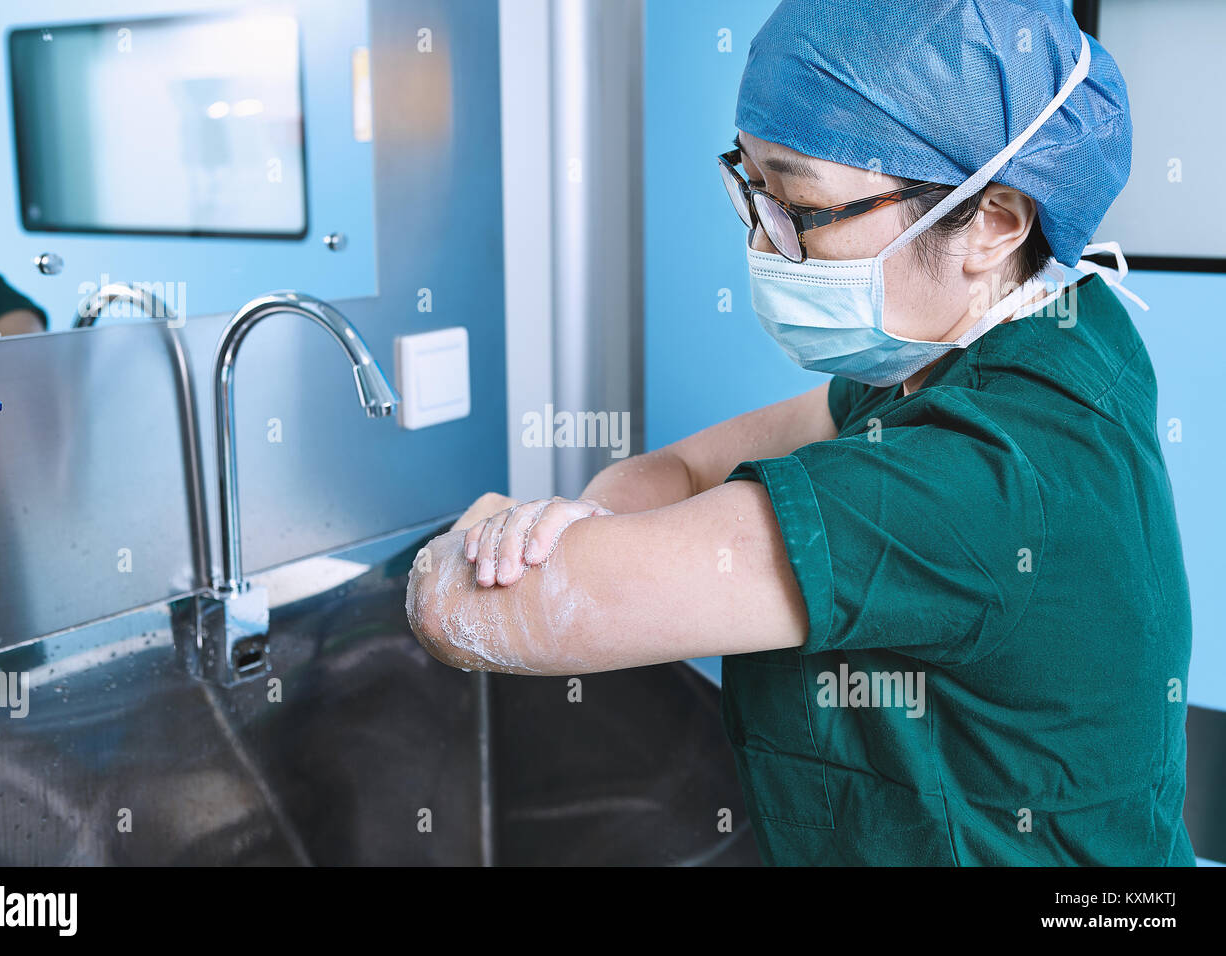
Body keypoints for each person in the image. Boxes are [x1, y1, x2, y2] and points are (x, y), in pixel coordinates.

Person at [406, 0, 1194, 866]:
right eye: (750, 187)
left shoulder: (974, 477)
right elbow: (680, 465)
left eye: (798, 206)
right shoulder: (1033, 335)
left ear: (996, 220)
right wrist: (582, 523)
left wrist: (479, 536)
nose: (762, 242)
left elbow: (474, 612)